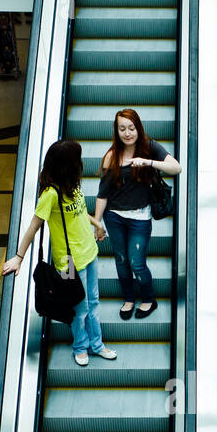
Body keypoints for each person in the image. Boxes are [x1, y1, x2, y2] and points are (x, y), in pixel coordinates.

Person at [2, 139, 116, 369]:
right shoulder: (50, 195)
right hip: (68, 261)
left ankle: (97, 344)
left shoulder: (72, 185)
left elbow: (80, 212)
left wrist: (97, 224)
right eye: (78, 160)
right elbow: (33, 227)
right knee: (79, 306)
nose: (81, 164)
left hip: (90, 252)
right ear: (69, 165)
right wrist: (19, 257)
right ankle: (80, 347)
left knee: (93, 302)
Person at [94, 109, 180, 322]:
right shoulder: (111, 156)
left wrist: (148, 162)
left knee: (136, 262)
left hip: (140, 217)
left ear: (138, 128)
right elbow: (102, 194)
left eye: (131, 128)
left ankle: (149, 299)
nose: (127, 133)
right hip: (114, 217)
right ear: (117, 131)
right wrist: (97, 223)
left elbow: (176, 167)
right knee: (121, 260)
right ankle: (129, 299)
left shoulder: (150, 147)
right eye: (122, 129)